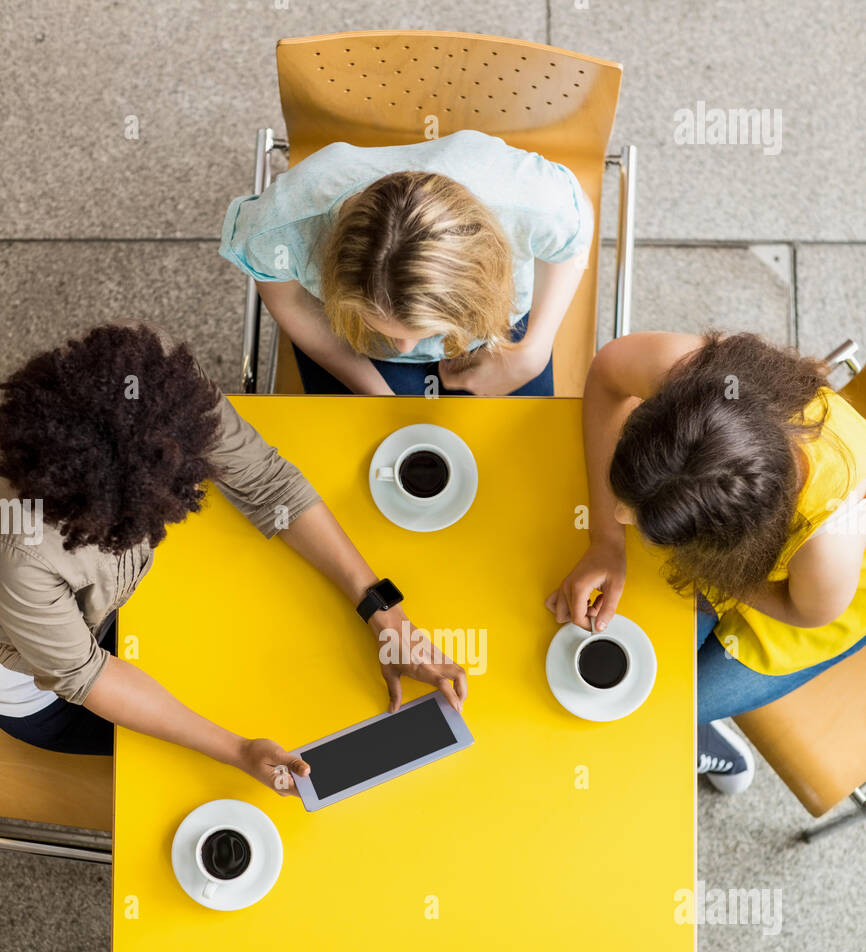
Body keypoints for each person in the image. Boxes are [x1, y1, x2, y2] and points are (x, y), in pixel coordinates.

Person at [0, 323, 466, 796]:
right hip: (40, 687)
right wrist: (239, 751)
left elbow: (267, 482)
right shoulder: (22, 551)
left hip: (106, 610)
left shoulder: (157, 384)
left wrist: (388, 619)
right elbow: (87, 675)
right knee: (167, 772)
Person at [546, 331, 866, 793]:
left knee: (661, 705)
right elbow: (608, 372)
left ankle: (689, 737)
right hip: (722, 539)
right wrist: (605, 538)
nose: (621, 514)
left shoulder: (828, 550)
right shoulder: (698, 378)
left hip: (794, 607)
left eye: (633, 513)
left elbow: (804, 611)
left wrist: (711, 576)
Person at [220, 129, 593, 398]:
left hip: (491, 324)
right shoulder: (285, 222)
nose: (404, 348)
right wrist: (373, 391)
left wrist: (535, 349)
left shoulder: (528, 201)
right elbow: (289, 300)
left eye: (418, 332)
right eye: (391, 328)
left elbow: (576, 232)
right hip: (350, 343)